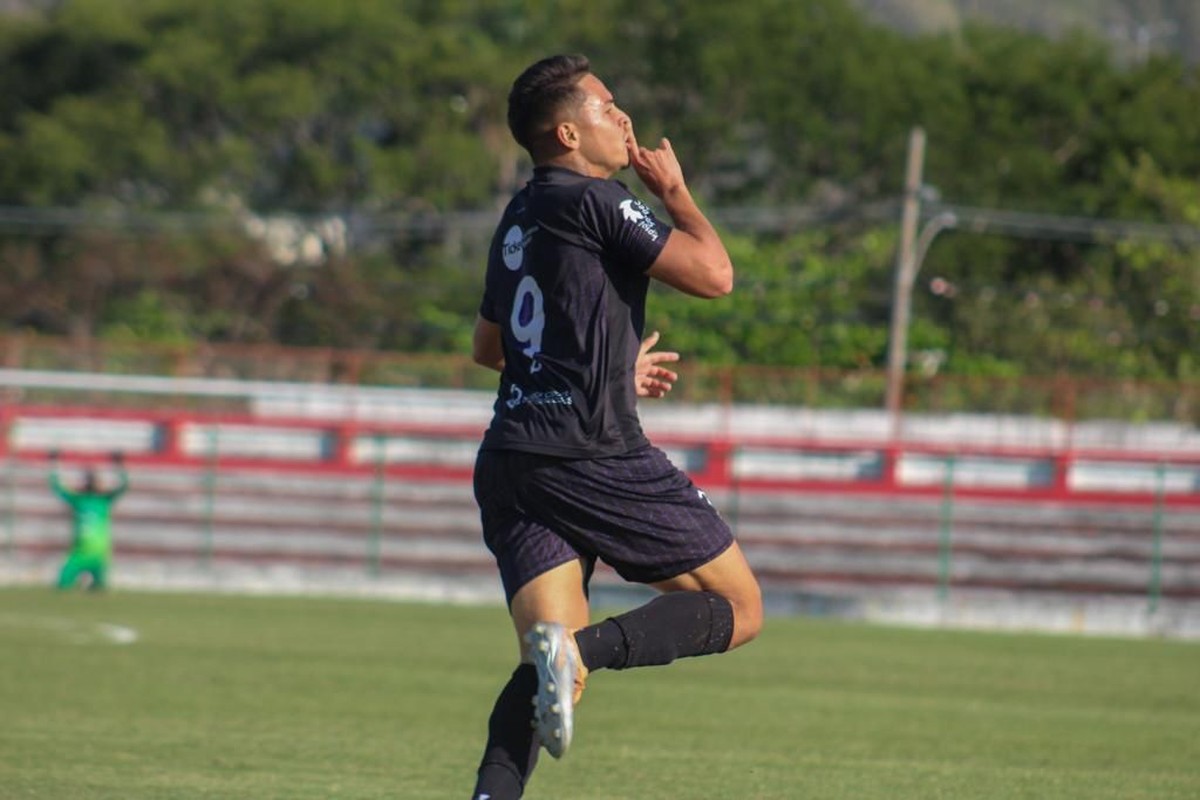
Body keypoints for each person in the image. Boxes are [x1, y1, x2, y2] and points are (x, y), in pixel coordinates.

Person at [468, 54, 763, 800]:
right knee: (739, 610)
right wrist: (677, 194)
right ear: (569, 134)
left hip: (512, 458)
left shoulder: (519, 214)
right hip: (591, 455)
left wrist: (604, 372)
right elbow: (715, 276)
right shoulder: (600, 200)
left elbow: (491, 348)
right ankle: (584, 652)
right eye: (607, 107)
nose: (623, 117)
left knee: (546, 671)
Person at [48, 450, 129, 591]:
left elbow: (123, 487)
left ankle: (88, 583)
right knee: (63, 585)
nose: (91, 483)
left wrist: (120, 466)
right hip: (78, 554)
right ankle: (81, 582)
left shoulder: (104, 500)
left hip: (99, 555)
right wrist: (55, 464)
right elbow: (58, 487)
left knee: (100, 588)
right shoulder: (78, 500)